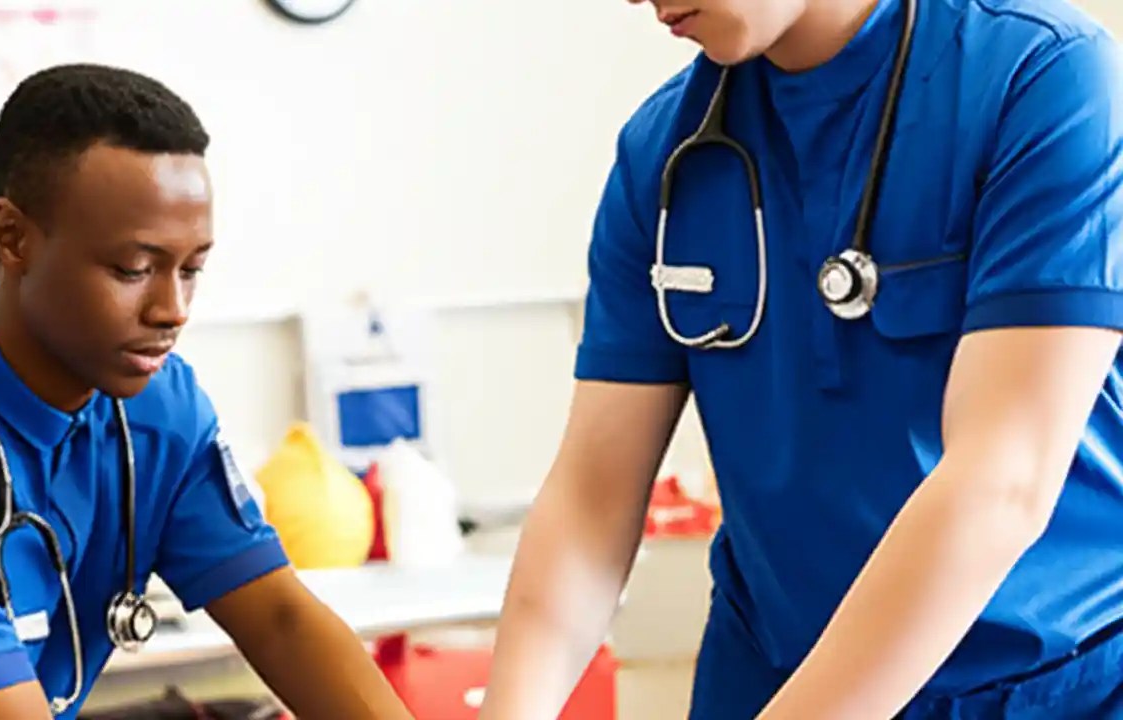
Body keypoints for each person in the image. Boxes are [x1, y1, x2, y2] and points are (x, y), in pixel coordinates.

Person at [477, 0, 1123, 717]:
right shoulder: (663, 155)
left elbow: (1002, 481)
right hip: (773, 676)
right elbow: (591, 498)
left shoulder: (1043, 75)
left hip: (1051, 690)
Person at [0, 63, 413, 720]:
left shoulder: (159, 408)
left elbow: (281, 618)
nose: (173, 309)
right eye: (134, 269)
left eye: (191, 270)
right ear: (12, 237)